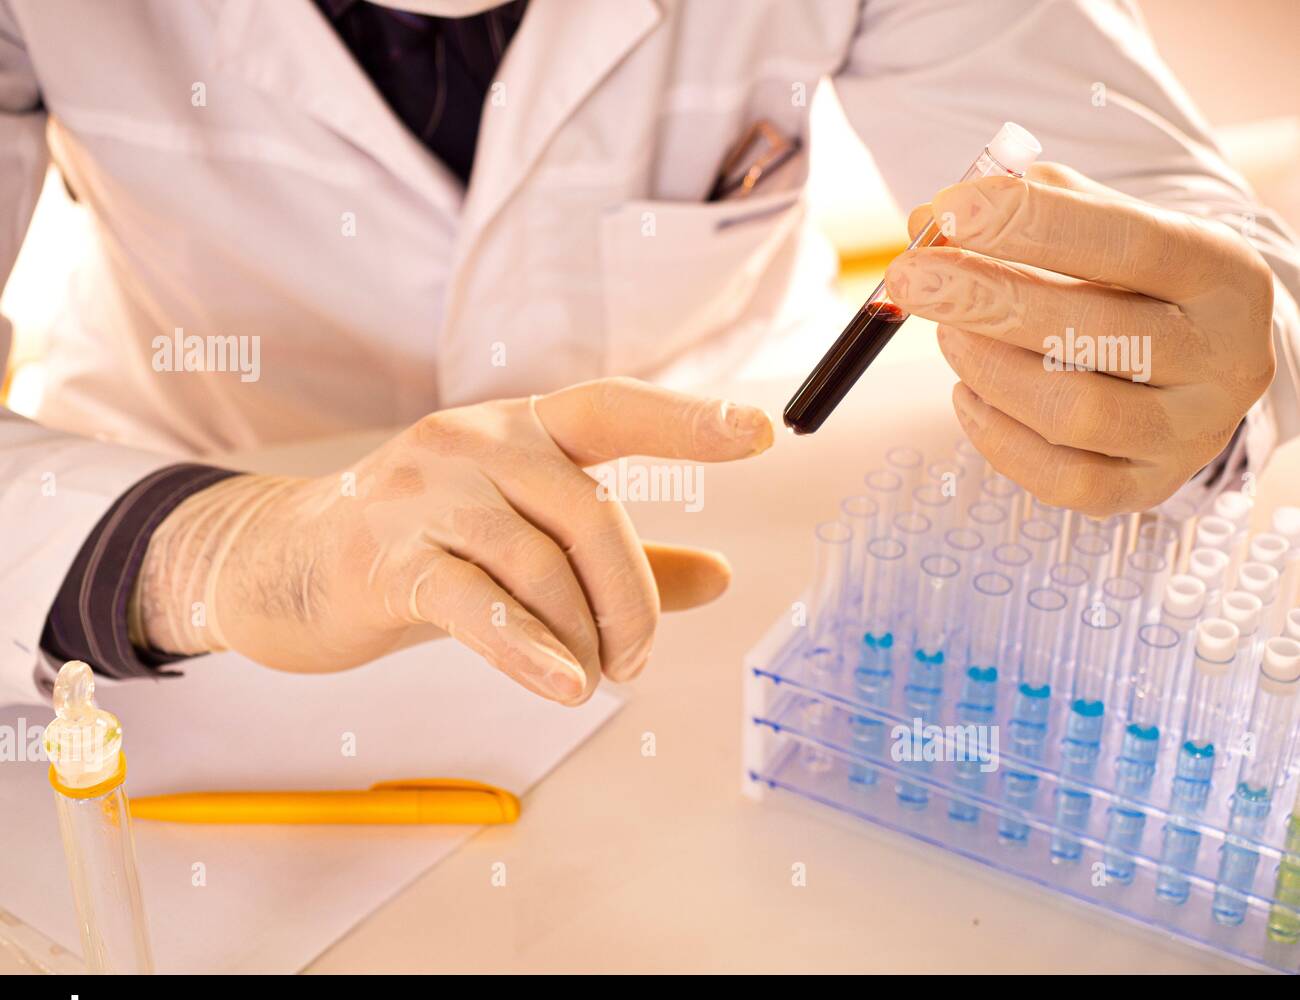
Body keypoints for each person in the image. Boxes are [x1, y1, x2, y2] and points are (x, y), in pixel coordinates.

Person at [1, 0, 1295, 705]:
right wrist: (227, 554)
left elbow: (1194, 240)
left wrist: (1188, 370)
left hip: (715, 560)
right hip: (181, 588)